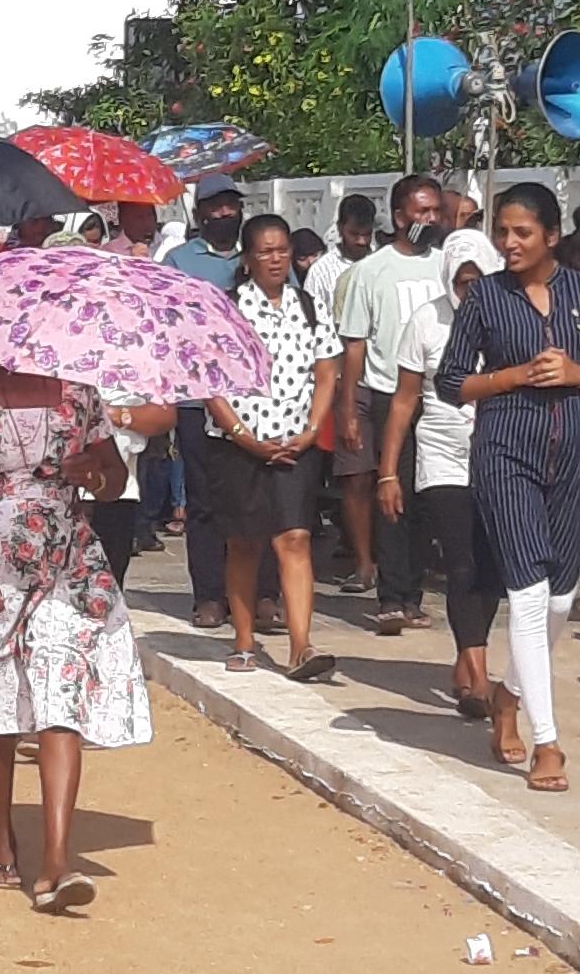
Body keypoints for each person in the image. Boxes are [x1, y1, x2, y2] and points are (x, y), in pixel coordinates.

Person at [0, 350, 152, 913]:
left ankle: (58, 859)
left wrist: (95, 472)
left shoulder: (81, 397)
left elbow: (114, 482)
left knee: (59, 695)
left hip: (66, 562)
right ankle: (1, 832)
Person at [435, 182, 580, 790]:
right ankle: (549, 743)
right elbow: (450, 382)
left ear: (551, 236)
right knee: (527, 592)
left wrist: (578, 373)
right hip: (504, 450)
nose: (509, 243)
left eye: (521, 233)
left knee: (562, 598)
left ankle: (509, 694)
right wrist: (511, 377)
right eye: (502, 232)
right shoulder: (486, 297)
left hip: (574, 451)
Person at [205, 215, 341, 683]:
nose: (276, 259)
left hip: (295, 444)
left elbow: (326, 371)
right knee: (244, 543)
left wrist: (313, 428)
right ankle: (244, 639)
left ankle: (301, 646)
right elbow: (212, 384)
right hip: (239, 444)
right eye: (265, 251)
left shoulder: (310, 306)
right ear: (247, 259)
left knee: (296, 538)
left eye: (282, 249)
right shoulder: (227, 309)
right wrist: (244, 436)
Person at [382, 228, 505, 720]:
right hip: (441, 452)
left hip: (497, 451)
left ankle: (465, 650)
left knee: (492, 565)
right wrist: (388, 472)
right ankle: (479, 677)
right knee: (461, 563)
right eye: (461, 282)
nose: (468, 291)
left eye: (478, 281)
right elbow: (404, 400)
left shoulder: (509, 321)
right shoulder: (426, 321)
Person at [332, 175, 449, 634]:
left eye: (435, 211)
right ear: (399, 218)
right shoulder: (371, 272)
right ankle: (393, 597)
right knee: (393, 494)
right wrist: (348, 410)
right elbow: (354, 344)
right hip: (388, 395)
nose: (431, 219)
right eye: (421, 212)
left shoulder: (445, 266)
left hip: (440, 397)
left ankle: (415, 593)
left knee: (427, 500)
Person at [162, 184, 246, 623]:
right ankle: (209, 595)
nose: (225, 213)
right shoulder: (179, 262)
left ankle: (258, 596)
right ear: (202, 213)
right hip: (196, 400)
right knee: (205, 501)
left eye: (232, 205)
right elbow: (164, 323)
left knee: (253, 503)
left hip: (252, 400)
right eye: (216, 207)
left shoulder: (257, 254)